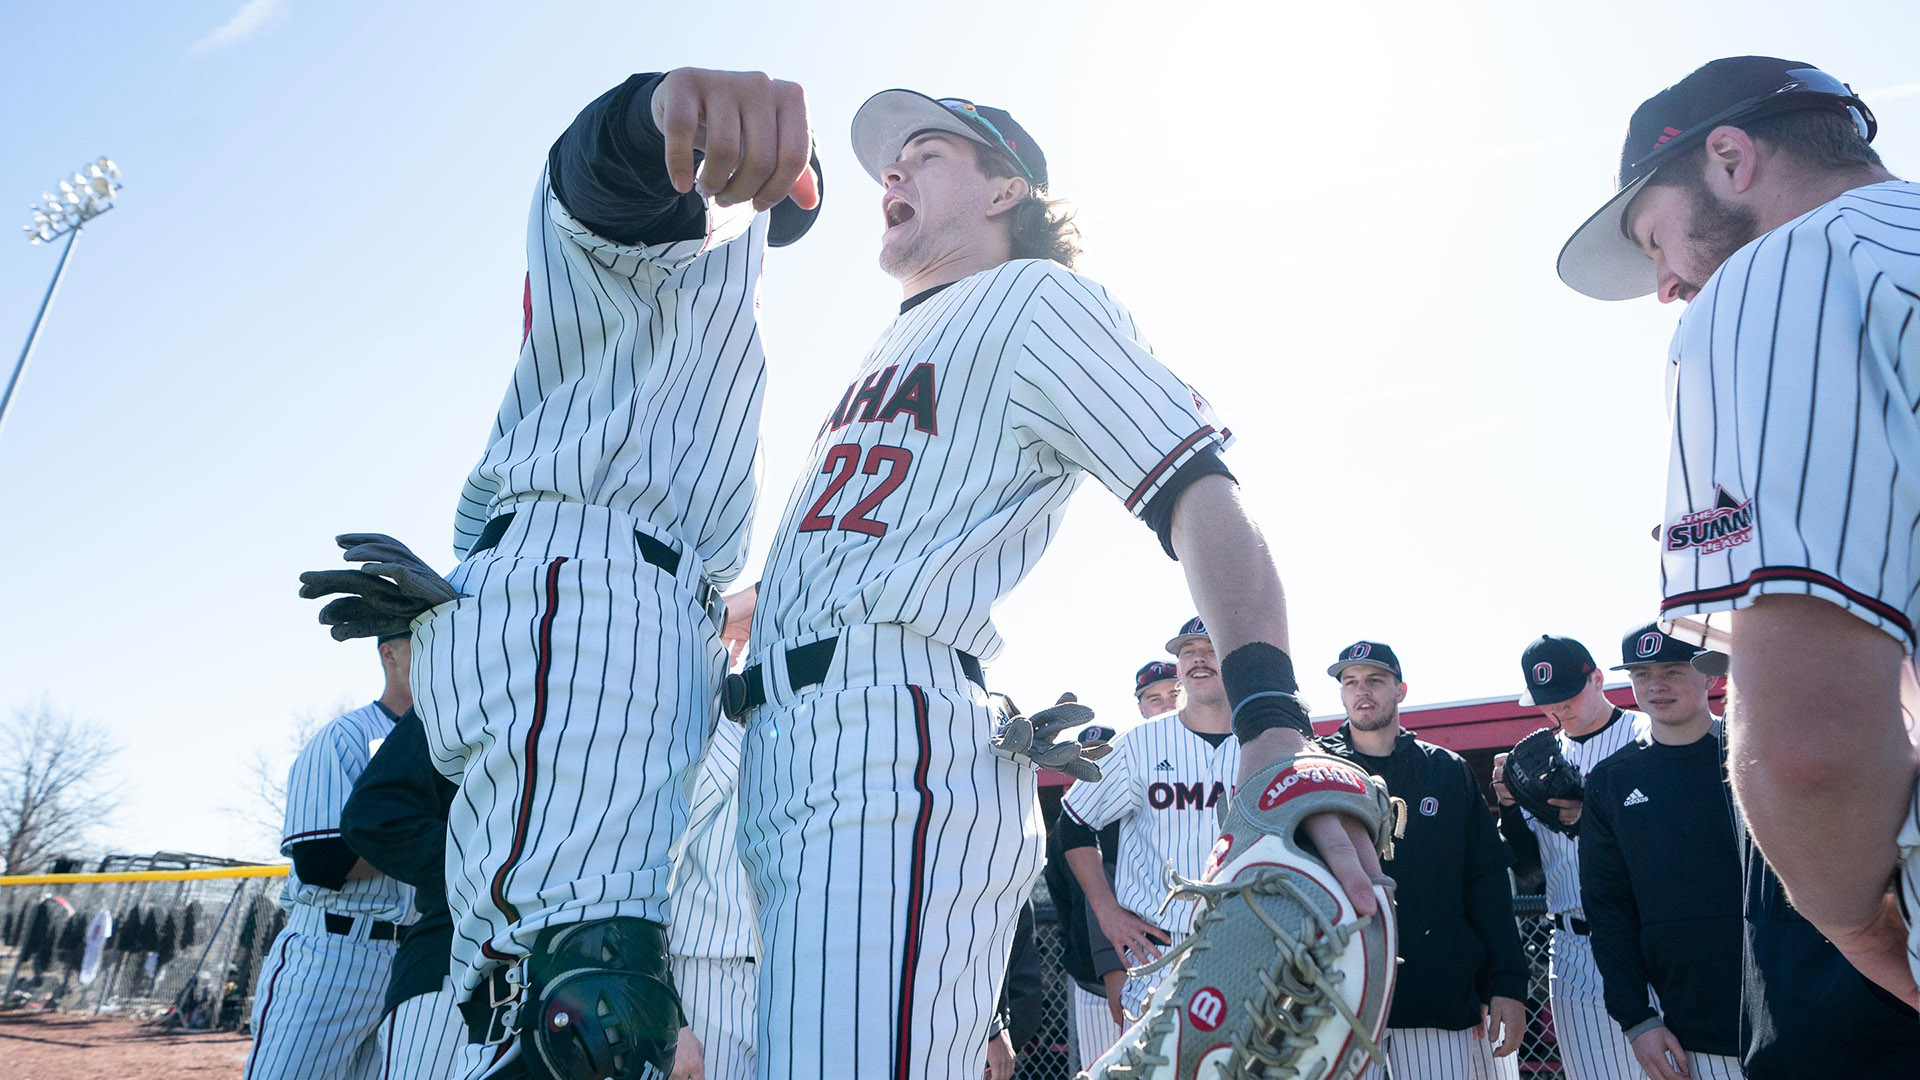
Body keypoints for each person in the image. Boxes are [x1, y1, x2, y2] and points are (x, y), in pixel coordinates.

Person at [718, 81, 1392, 1080]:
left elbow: (1196, 485)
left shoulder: (1035, 298)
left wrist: (1275, 721)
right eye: (888, 164)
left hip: (886, 734)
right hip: (770, 744)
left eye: (927, 153)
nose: (891, 171)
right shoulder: (886, 347)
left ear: (1004, 192)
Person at [391, 68, 821, 1080]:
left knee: (537, 1004)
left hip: (621, 603)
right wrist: (663, 106)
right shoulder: (655, 220)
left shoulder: (709, 282)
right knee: (593, 1011)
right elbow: (603, 170)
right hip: (587, 587)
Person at [1556, 54, 1920, 1007]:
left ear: (1728, 157)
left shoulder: (1771, 278)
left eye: (1653, 240)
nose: (1669, 283)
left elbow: (1808, 748)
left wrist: (1852, 923)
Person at [1319, 641, 1527, 1080]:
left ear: (1401, 689)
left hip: (1438, 997)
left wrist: (1507, 982)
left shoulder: (1446, 771)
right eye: (1350, 682)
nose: (1362, 691)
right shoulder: (1316, 769)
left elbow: (1486, 882)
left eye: (1375, 680)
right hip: (1341, 997)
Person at [243, 635, 416, 1080]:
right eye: (423, 641)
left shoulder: (458, 749)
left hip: (418, 960)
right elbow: (321, 863)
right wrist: (427, 834)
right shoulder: (348, 737)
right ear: (389, 653)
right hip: (335, 953)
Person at [1578, 624, 1741, 1080]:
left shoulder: (1755, 757)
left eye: (1672, 669)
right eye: (1642, 673)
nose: (1655, 685)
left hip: (1791, 1007)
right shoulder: (1611, 781)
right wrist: (1637, 1018)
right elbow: (1608, 909)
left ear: (1709, 676)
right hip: (1689, 1024)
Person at [1058, 619, 1240, 1020]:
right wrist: (1107, 911)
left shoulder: (1262, 741)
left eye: (1209, 647)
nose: (1197, 658)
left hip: (1247, 943)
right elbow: (1072, 823)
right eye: (1186, 651)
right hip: (1159, 949)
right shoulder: (1139, 742)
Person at [1493, 635, 1645, 1080]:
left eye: (1568, 695)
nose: (1559, 709)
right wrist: (1508, 806)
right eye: (1547, 702)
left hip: (1649, 934)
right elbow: (1529, 869)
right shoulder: (1539, 759)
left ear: (1598, 678)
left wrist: (1595, 815)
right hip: (1576, 944)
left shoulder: (1646, 735)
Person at [340, 706, 467, 1080]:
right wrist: (494, 867)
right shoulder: (465, 675)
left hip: (620, 957)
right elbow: (372, 818)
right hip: (452, 958)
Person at [665, 717, 758, 1080]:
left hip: (777, 981)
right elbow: (652, 879)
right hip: (704, 983)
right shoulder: (707, 730)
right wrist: (671, 1019)